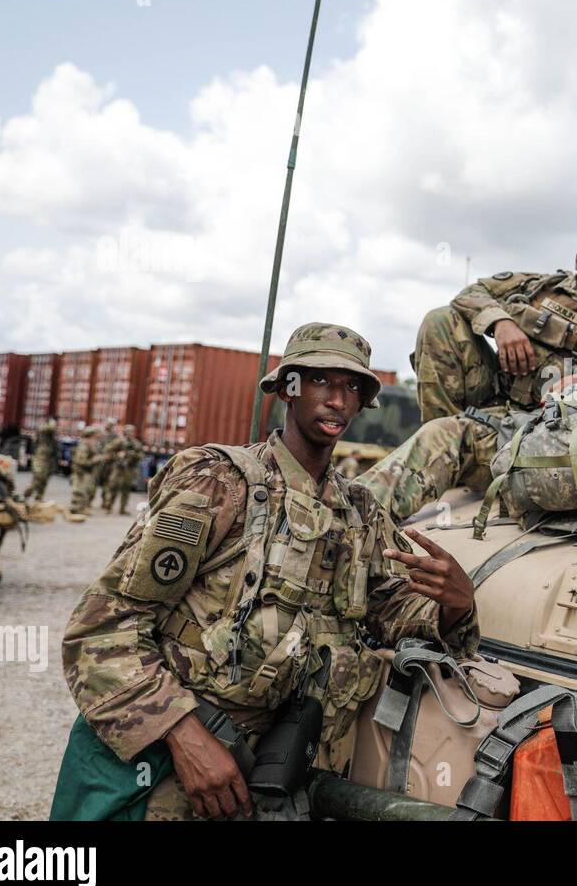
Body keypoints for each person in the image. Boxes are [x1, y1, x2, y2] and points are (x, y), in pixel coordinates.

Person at [52, 322, 480, 821]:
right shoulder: (220, 483)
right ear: (286, 389)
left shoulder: (361, 511)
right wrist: (185, 737)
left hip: (281, 768)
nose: (338, 400)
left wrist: (455, 603)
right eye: (321, 381)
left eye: (352, 387)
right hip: (178, 758)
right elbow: (103, 628)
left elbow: (393, 616)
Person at [411, 212, 577, 423]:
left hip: (563, 432)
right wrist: (500, 323)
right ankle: (443, 436)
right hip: (497, 401)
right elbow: (471, 293)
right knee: (441, 320)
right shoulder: (539, 287)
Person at [107, 424, 144, 514]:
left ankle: (122, 509)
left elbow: (141, 456)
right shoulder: (119, 441)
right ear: (125, 432)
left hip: (129, 469)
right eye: (128, 431)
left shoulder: (136, 444)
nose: (130, 433)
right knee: (113, 487)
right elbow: (109, 450)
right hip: (118, 468)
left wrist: (133, 454)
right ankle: (109, 506)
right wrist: (117, 455)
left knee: (126, 489)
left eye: (131, 432)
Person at [24, 417, 58, 503]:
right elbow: (50, 428)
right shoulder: (43, 429)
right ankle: (26, 495)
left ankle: (39, 498)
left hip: (49, 459)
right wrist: (52, 422)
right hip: (41, 457)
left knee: (45, 479)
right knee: (38, 478)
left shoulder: (50, 435)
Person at [68, 427, 101, 515]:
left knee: (86, 491)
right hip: (81, 473)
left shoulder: (89, 446)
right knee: (79, 491)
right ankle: (75, 509)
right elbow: (81, 461)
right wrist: (94, 460)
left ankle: (81, 508)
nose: (95, 440)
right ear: (90, 437)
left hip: (86, 472)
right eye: (94, 438)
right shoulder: (83, 446)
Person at [95, 419, 120, 511]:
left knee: (109, 484)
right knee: (96, 483)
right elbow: (97, 448)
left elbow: (119, 451)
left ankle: (106, 503)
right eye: (108, 425)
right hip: (100, 463)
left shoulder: (116, 438)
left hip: (111, 464)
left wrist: (112, 456)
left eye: (111, 425)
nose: (109, 427)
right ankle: (90, 502)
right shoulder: (101, 436)